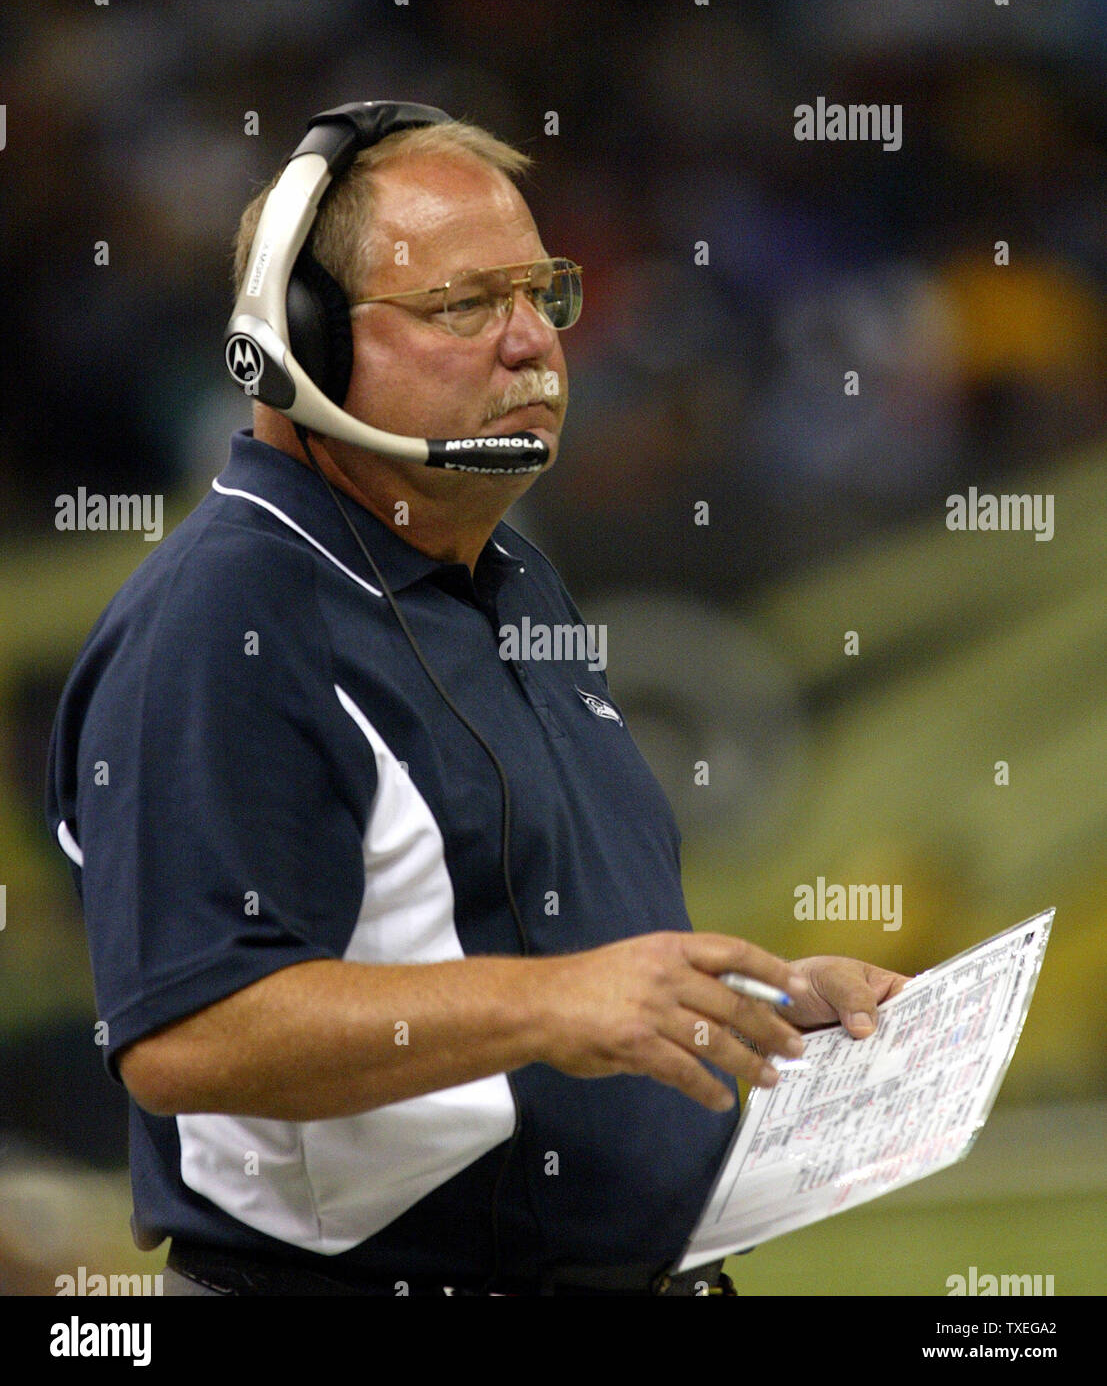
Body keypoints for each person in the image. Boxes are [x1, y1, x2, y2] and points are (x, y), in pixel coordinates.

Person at [46, 108, 905, 1296]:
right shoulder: (223, 622)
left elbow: (523, 949)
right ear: (290, 344)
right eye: (462, 304)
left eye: (542, 295)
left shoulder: (500, 573)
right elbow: (186, 1033)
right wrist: (553, 1002)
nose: (533, 346)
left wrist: (754, 1010)